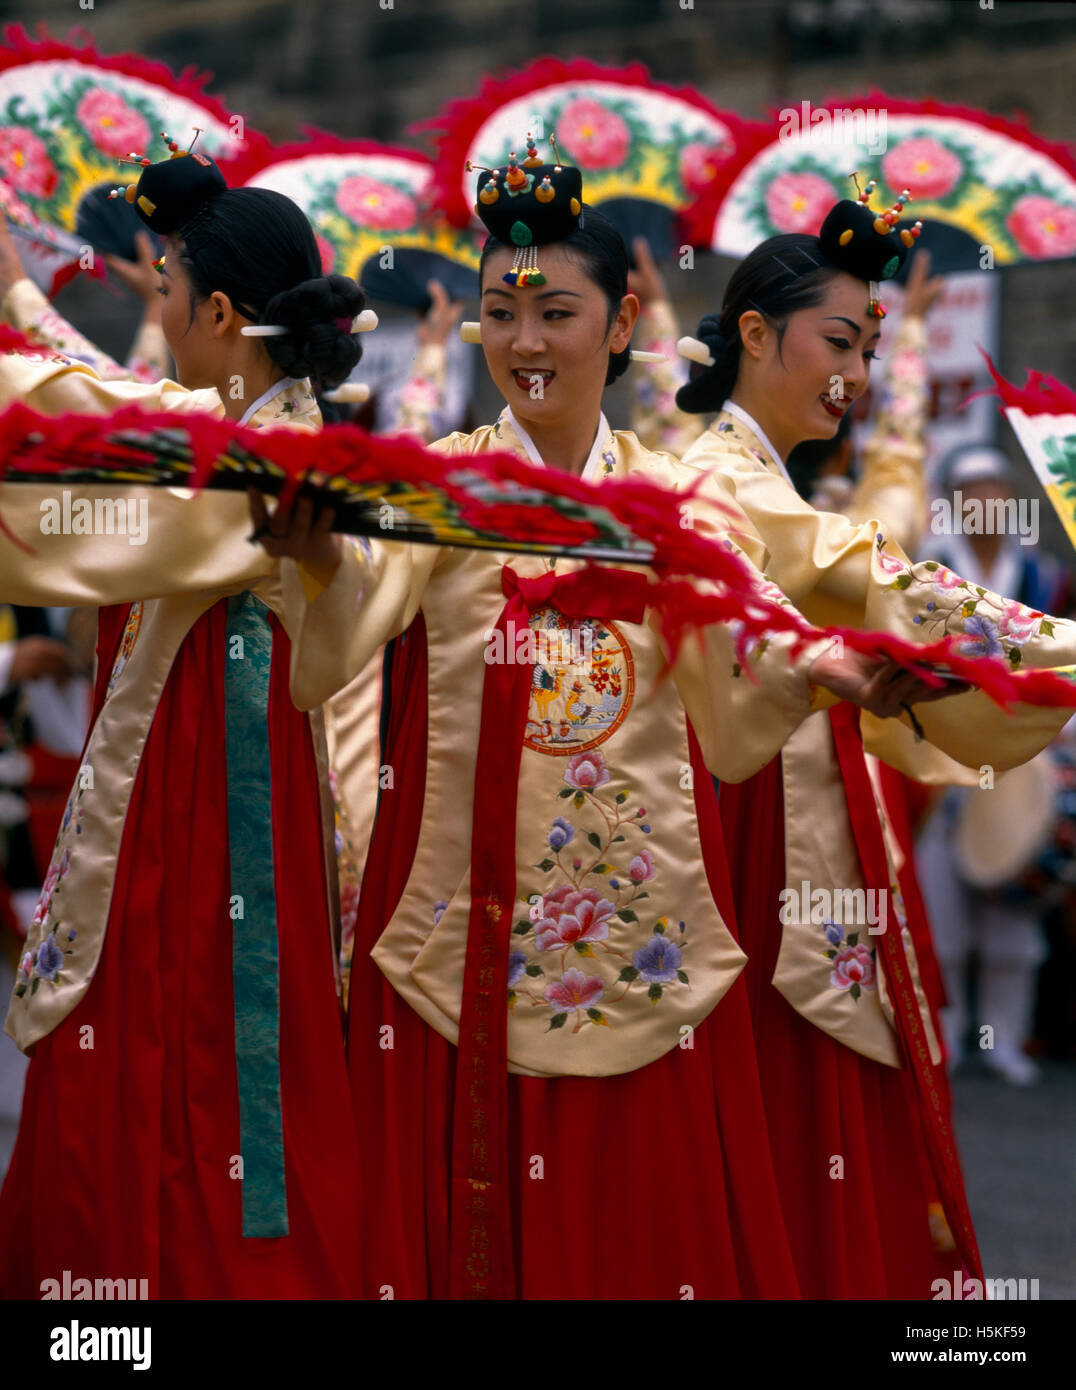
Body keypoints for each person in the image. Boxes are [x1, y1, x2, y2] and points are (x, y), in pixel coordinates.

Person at [253, 146, 966, 1300]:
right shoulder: (434, 483)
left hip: (638, 926)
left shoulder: (674, 499)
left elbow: (745, 629)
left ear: (623, 319)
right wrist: (319, 550)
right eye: (499, 312)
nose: (524, 342)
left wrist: (835, 665)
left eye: (554, 311)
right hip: (451, 928)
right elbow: (347, 617)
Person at [669, 189, 1076, 1295]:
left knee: (826, 1118)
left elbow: (886, 568)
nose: (850, 373)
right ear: (752, 333)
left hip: (811, 827)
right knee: (792, 1116)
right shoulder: (710, 485)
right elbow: (877, 580)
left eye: (869, 348)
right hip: (750, 843)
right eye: (836, 343)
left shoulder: (766, 484)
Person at [0, 147, 367, 1298]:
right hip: (178, 780)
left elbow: (77, 399)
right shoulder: (223, 430)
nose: (149, 319)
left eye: (160, 293)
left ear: (215, 310)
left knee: (220, 1065)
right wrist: (15, 286)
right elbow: (92, 390)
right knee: (154, 1053)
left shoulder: (269, 453)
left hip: (226, 802)